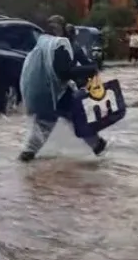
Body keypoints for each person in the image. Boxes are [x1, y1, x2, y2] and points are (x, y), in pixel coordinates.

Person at [19, 15, 107, 162]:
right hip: (54, 91)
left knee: (45, 122)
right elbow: (64, 71)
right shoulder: (60, 44)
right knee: (76, 116)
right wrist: (90, 70)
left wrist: (83, 76)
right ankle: (98, 146)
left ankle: (27, 154)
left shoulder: (42, 42)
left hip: (37, 90)